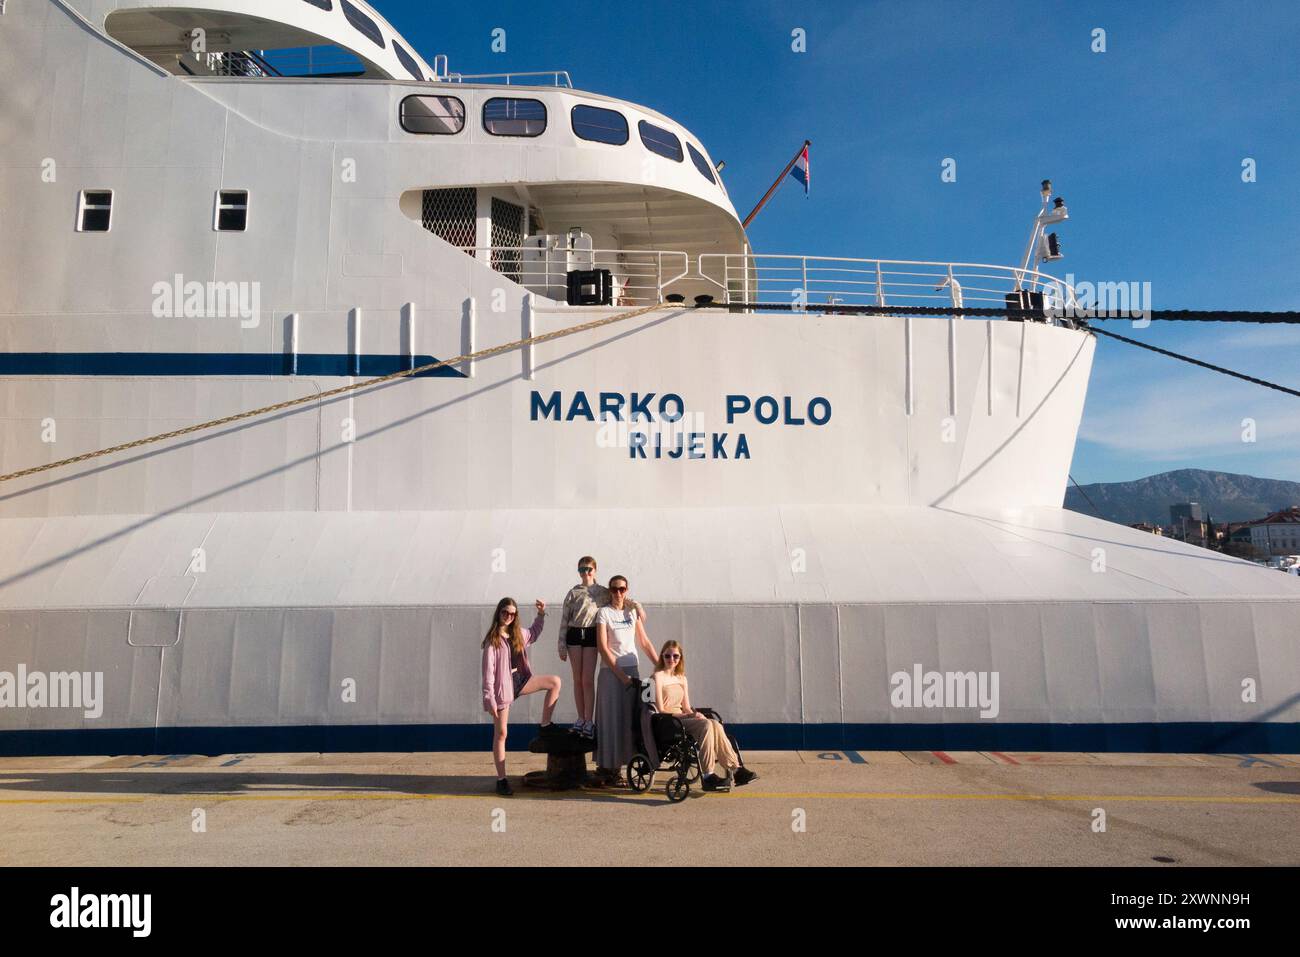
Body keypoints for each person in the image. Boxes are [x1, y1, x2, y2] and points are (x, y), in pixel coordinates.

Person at [558, 556, 646, 739]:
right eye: (582, 569)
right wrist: (561, 645)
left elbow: (624, 600)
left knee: (587, 680)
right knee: (577, 680)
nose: (586, 573)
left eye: (589, 569)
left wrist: (638, 607)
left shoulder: (604, 592)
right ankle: (581, 718)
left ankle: (589, 721)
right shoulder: (573, 592)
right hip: (575, 635)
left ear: (595, 570)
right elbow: (565, 618)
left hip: (591, 635)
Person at [652, 640, 756, 790]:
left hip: (683, 719)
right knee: (707, 724)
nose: (671, 659)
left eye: (676, 656)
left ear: (680, 658)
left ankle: (736, 769)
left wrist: (694, 714)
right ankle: (708, 775)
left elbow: (686, 707)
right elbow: (660, 709)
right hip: (669, 721)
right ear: (662, 656)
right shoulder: (657, 677)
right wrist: (688, 717)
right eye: (667, 656)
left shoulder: (681, 678)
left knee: (714, 724)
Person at [481, 596, 559, 796]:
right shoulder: (493, 641)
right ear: (499, 613)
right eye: (505, 612)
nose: (508, 616)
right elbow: (488, 673)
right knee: (501, 734)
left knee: (554, 682)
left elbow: (534, 632)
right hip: (502, 689)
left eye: (512, 613)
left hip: (521, 681)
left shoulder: (518, 634)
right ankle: (501, 779)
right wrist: (489, 698)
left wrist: (541, 614)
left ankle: (545, 725)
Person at [593, 575, 659, 783]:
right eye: (614, 589)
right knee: (611, 719)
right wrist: (621, 676)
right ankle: (609, 768)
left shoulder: (632, 613)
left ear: (627, 590)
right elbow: (603, 648)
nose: (618, 593)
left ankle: (630, 763)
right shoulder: (604, 613)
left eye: (622, 589)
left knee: (631, 720)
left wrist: (662, 666)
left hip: (633, 671)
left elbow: (644, 642)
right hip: (612, 673)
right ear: (609, 591)